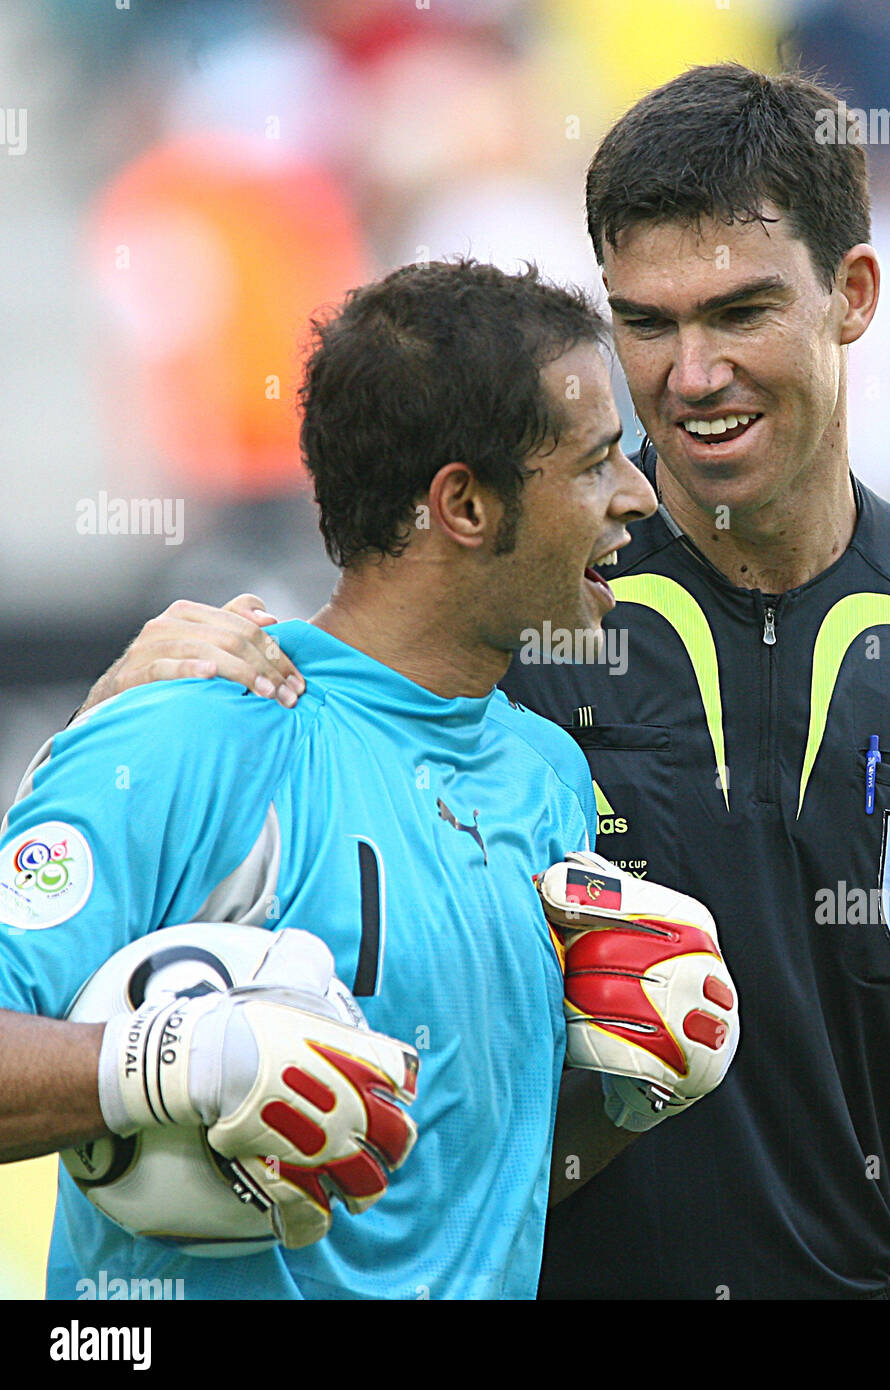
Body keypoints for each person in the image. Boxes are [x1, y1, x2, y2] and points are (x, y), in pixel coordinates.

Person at [72, 66, 890, 1301]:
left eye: (739, 312)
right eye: (645, 323)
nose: (691, 376)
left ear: (850, 296)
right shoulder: (507, 600)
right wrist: (142, 701)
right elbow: (267, 765)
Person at [0, 259, 738, 1300]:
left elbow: (464, 1183)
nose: (636, 496)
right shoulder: (192, 734)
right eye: (595, 461)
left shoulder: (547, 776)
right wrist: (176, 1058)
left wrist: (630, 1089)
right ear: (465, 505)